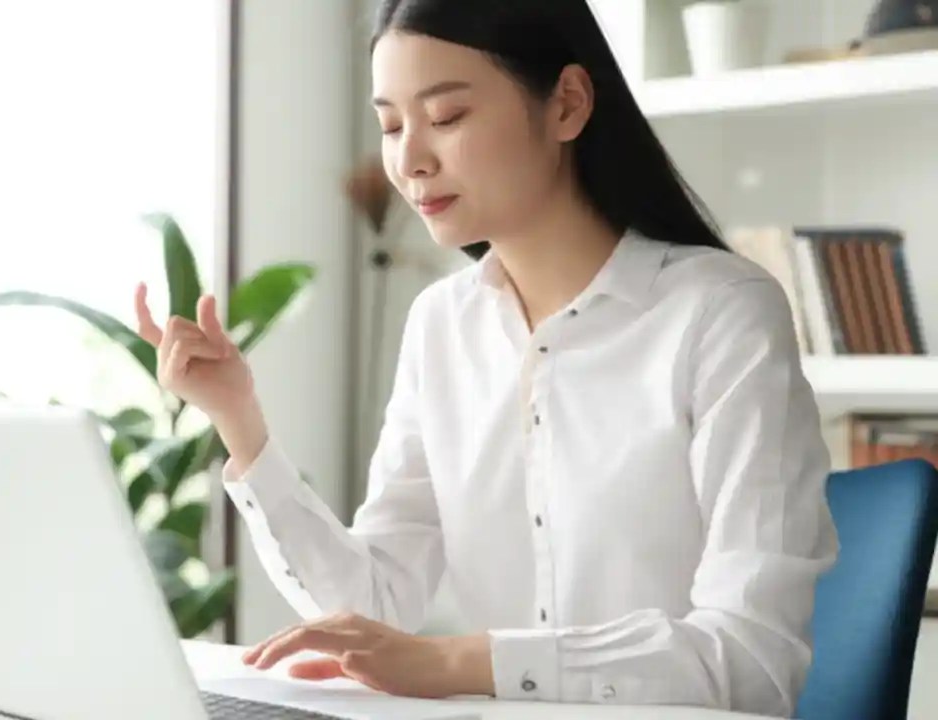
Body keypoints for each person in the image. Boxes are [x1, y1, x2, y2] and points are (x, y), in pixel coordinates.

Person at [133, 0, 838, 715]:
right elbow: (376, 600)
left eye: (445, 118)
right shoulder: (441, 324)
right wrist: (240, 424)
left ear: (566, 104)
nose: (410, 159)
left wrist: (460, 661)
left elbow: (752, 659)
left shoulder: (721, 313)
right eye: (390, 124)